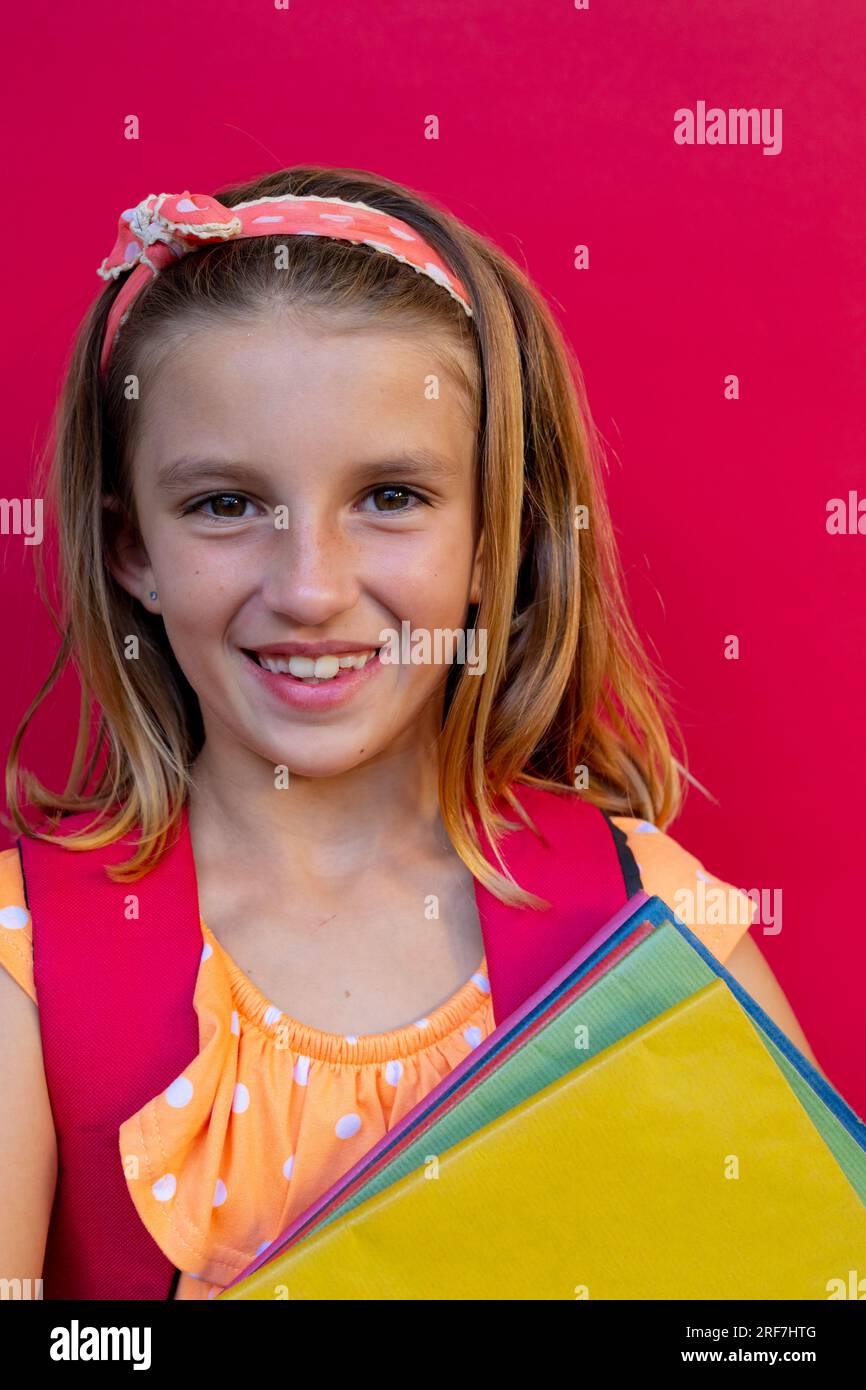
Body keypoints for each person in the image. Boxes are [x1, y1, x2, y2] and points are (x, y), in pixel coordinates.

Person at [0, 166, 819, 1299]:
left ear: (492, 540)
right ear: (130, 549)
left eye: (389, 495)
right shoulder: (30, 968)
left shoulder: (647, 915)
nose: (309, 588)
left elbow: (789, 1304)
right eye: (225, 504)